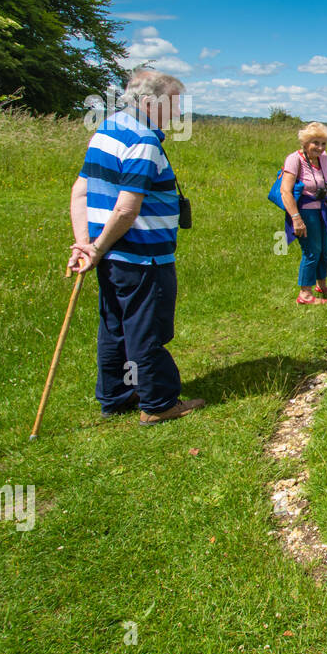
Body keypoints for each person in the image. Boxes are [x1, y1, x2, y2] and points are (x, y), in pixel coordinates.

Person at [67, 69, 205, 426]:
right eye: (173, 103)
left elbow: (80, 190)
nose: (177, 113)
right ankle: (158, 404)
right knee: (147, 329)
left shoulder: (107, 129)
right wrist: (94, 248)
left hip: (111, 254)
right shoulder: (143, 140)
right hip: (144, 255)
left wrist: (87, 243)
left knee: (116, 325)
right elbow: (127, 208)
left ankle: (116, 396)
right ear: (149, 102)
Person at [280, 122, 327, 304]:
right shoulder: (294, 159)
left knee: (323, 250)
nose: (320, 148)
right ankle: (305, 294)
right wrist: (296, 219)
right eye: (315, 143)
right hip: (304, 212)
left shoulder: (323, 158)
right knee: (312, 251)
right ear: (305, 143)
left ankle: (322, 285)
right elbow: (285, 191)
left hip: (321, 209)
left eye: (323, 143)